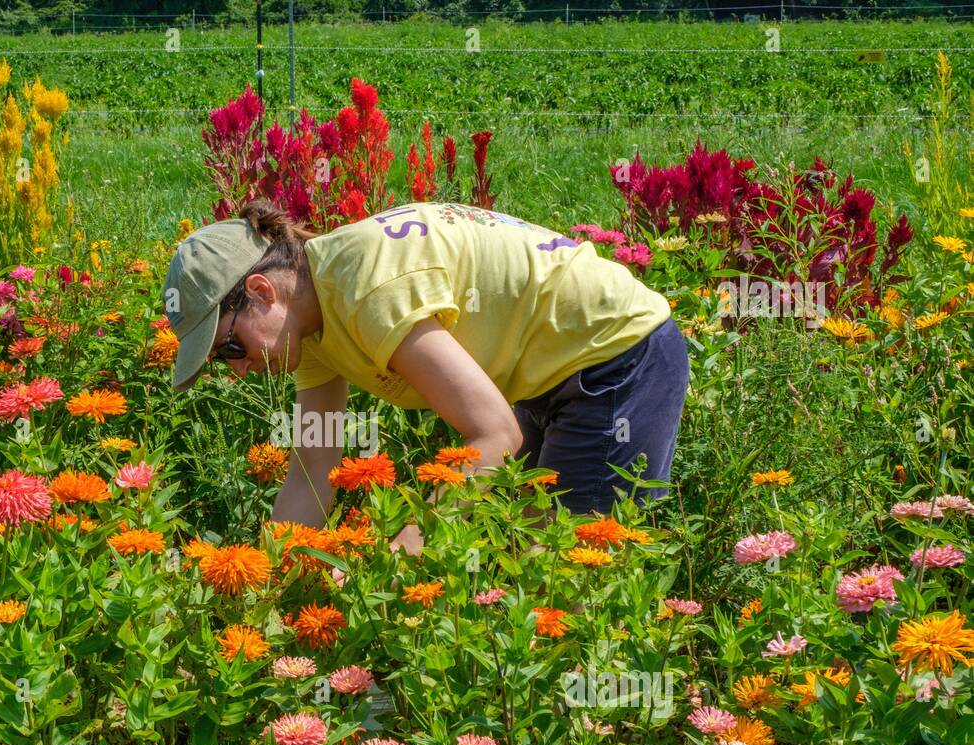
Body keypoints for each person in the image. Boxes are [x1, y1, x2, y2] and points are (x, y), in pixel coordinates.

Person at [164, 199, 689, 556]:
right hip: (544, 373)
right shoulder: (312, 323)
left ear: (261, 291)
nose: (236, 369)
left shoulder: (368, 289)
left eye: (229, 346)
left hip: (616, 356)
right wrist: (268, 579)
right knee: (514, 562)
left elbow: (494, 436)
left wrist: (405, 547)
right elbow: (312, 469)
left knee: (566, 577)